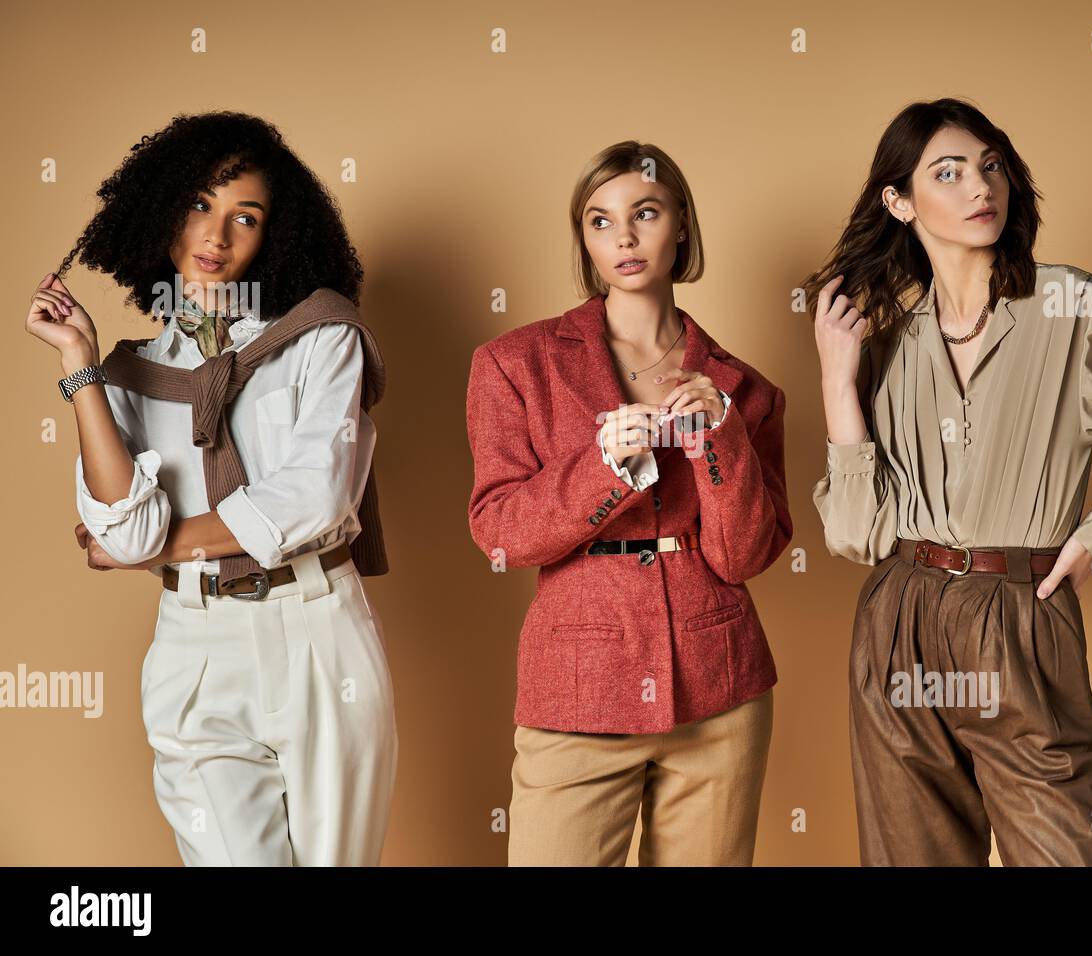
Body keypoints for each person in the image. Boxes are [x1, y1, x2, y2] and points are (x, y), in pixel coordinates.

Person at [805, 97, 1092, 866]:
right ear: (899, 200)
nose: (979, 186)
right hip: (898, 619)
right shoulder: (890, 338)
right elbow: (858, 536)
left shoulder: (1069, 304)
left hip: (1020, 616)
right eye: (947, 173)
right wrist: (837, 386)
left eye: (990, 167)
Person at [27, 111, 398, 866]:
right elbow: (125, 533)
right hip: (194, 646)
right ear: (161, 209)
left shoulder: (322, 338)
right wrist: (81, 366)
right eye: (199, 204)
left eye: (245, 217)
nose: (217, 235)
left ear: (276, 236)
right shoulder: (128, 375)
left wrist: (162, 544)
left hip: (319, 632)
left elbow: (319, 497)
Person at [466, 140, 792, 866]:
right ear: (584, 240)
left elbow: (742, 556)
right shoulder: (514, 364)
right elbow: (500, 533)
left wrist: (722, 437)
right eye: (599, 220)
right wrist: (605, 467)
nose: (624, 237)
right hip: (577, 689)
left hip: (722, 690)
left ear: (681, 226)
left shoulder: (747, 388)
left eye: (645, 213)